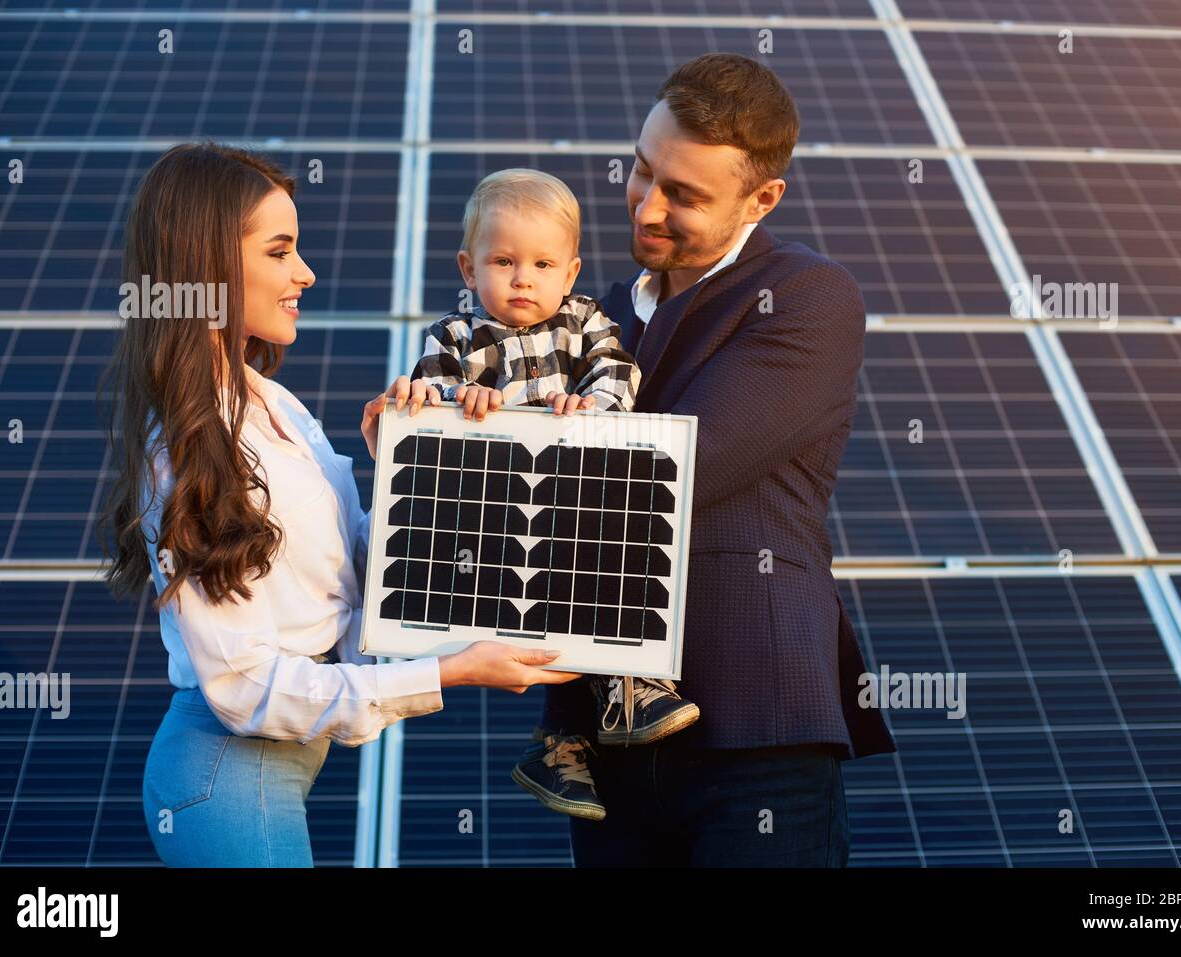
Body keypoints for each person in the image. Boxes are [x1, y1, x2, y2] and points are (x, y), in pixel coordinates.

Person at [98, 142, 580, 867]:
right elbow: (245, 685)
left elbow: (345, 578)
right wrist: (453, 669)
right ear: (208, 268)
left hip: (270, 771)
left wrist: (407, 461)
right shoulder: (186, 448)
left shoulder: (272, 405)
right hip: (225, 774)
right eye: (280, 250)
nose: (305, 272)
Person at [542, 53, 898, 866]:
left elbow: (673, 469)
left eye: (686, 195)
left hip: (754, 730)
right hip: (607, 738)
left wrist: (508, 458)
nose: (647, 206)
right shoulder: (593, 318)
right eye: (641, 170)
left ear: (762, 198)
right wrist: (435, 432)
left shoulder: (807, 295)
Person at [403, 167, 700, 823]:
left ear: (570, 272)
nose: (521, 279)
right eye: (503, 261)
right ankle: (563, 737)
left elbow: (619, 373)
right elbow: (421, 410)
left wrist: (589, 405)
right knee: (537, 615)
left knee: (611, 569)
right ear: (468, 265)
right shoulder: (453, 339)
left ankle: (611, 702)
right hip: (497, 513)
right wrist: (462, 400)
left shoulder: (587, 322)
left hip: (573, 500)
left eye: (542, 264)